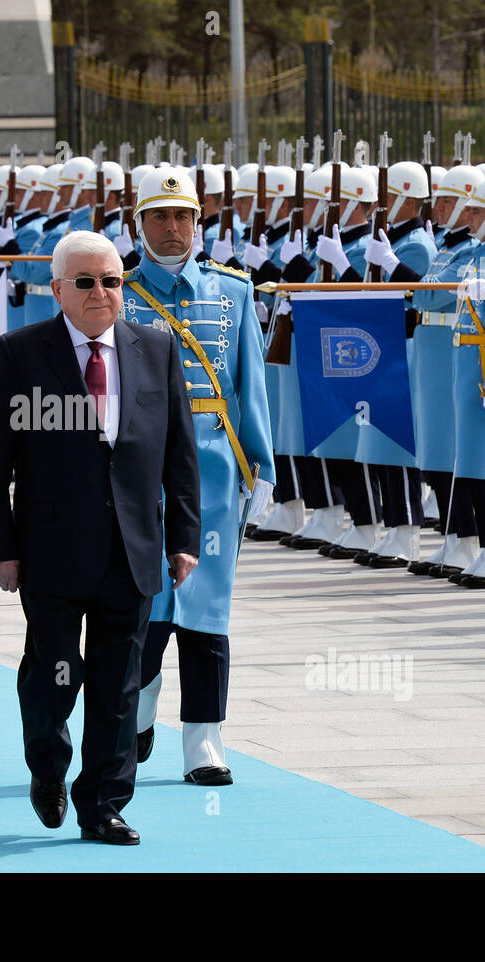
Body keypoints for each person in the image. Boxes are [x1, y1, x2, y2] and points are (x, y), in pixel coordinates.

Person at [0, 230, 201, 845]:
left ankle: (102, 802)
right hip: (49, 549)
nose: (101, 292)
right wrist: (1, 546)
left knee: (118, 682)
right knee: (53, 673)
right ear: (57, 291)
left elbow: (179, 452)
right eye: (86, 282)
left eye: (111, 281)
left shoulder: (156, 349)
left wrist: (183, 537)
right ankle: (47, 764)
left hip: (132, 549)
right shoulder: (21, 352)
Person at [122, 166, 275, 786]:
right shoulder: (121, 292)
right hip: (140, 471)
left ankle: (204, 739)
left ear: (199, 222)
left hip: (213, 470)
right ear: (139, 225)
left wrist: (261, 468)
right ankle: (136, 708)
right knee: (147, 600)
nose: (173, 227)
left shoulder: (234, 291)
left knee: (208, 605)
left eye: (183, 216)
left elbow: (251, 388)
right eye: (159, 216)